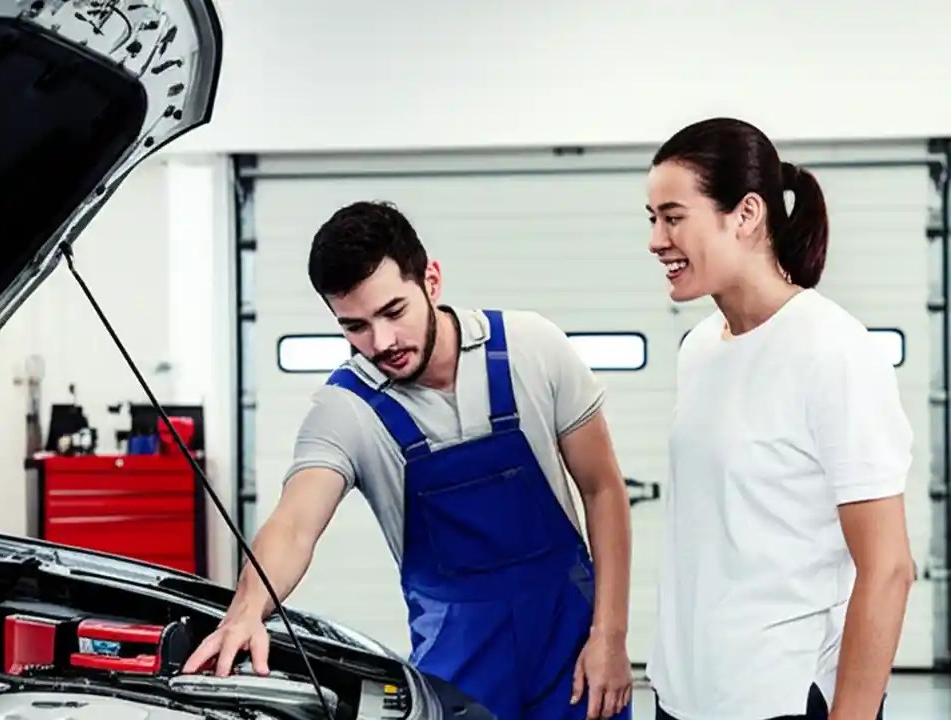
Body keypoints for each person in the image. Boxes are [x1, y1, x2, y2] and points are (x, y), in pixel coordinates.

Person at [183, 200, 636, 720]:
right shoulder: (347, 409)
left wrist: (611, 635)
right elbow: (292, 525)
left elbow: (603, 489)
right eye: (355, 326)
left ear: (432, 281)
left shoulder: (531, 349)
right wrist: (245, 612)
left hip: (572, 657)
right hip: (458, 673)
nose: (381, 343)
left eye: (394, 312)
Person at [644, 117, 916, 720]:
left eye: (673, 216)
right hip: (684, 696)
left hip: (781, 698)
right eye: (652, 219)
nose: (656, 240)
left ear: (745, 214)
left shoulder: (833, 350)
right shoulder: (699, 348)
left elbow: (889, 568)